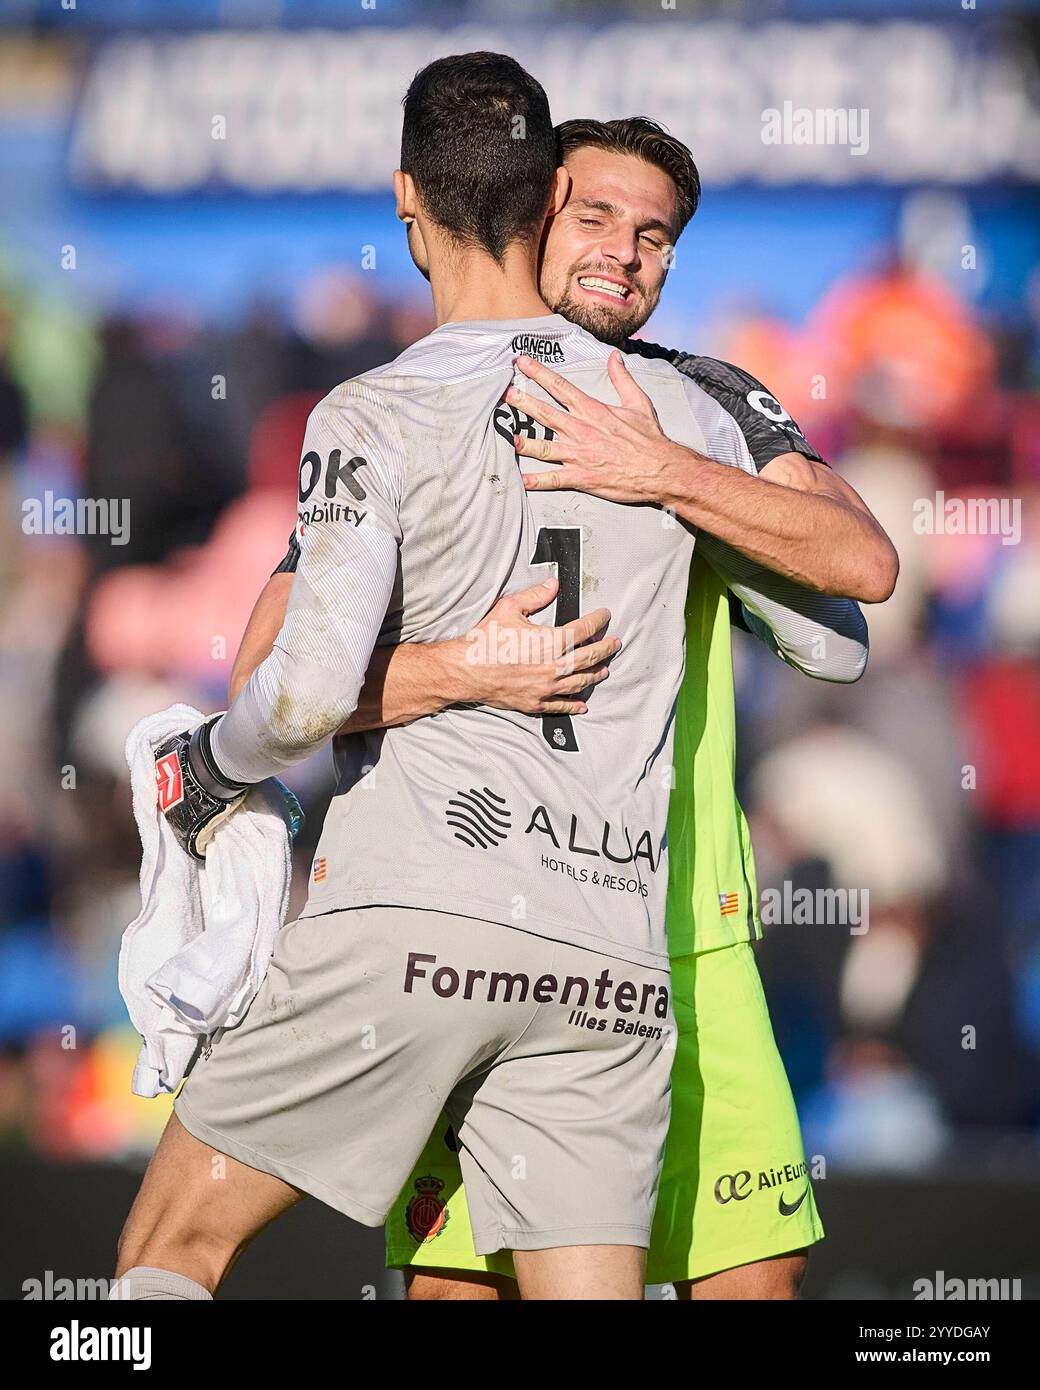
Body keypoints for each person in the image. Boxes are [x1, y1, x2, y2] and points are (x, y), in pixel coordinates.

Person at [110, 53, 833, 1303]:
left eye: (651, 235)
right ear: (545, 200)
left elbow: (295, 688)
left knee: (170, 1251)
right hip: (611, 960)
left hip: (417, 924)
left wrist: (207, 770)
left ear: (406, 196)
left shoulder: (373, 410)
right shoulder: (680, 410)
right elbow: (838, 631)